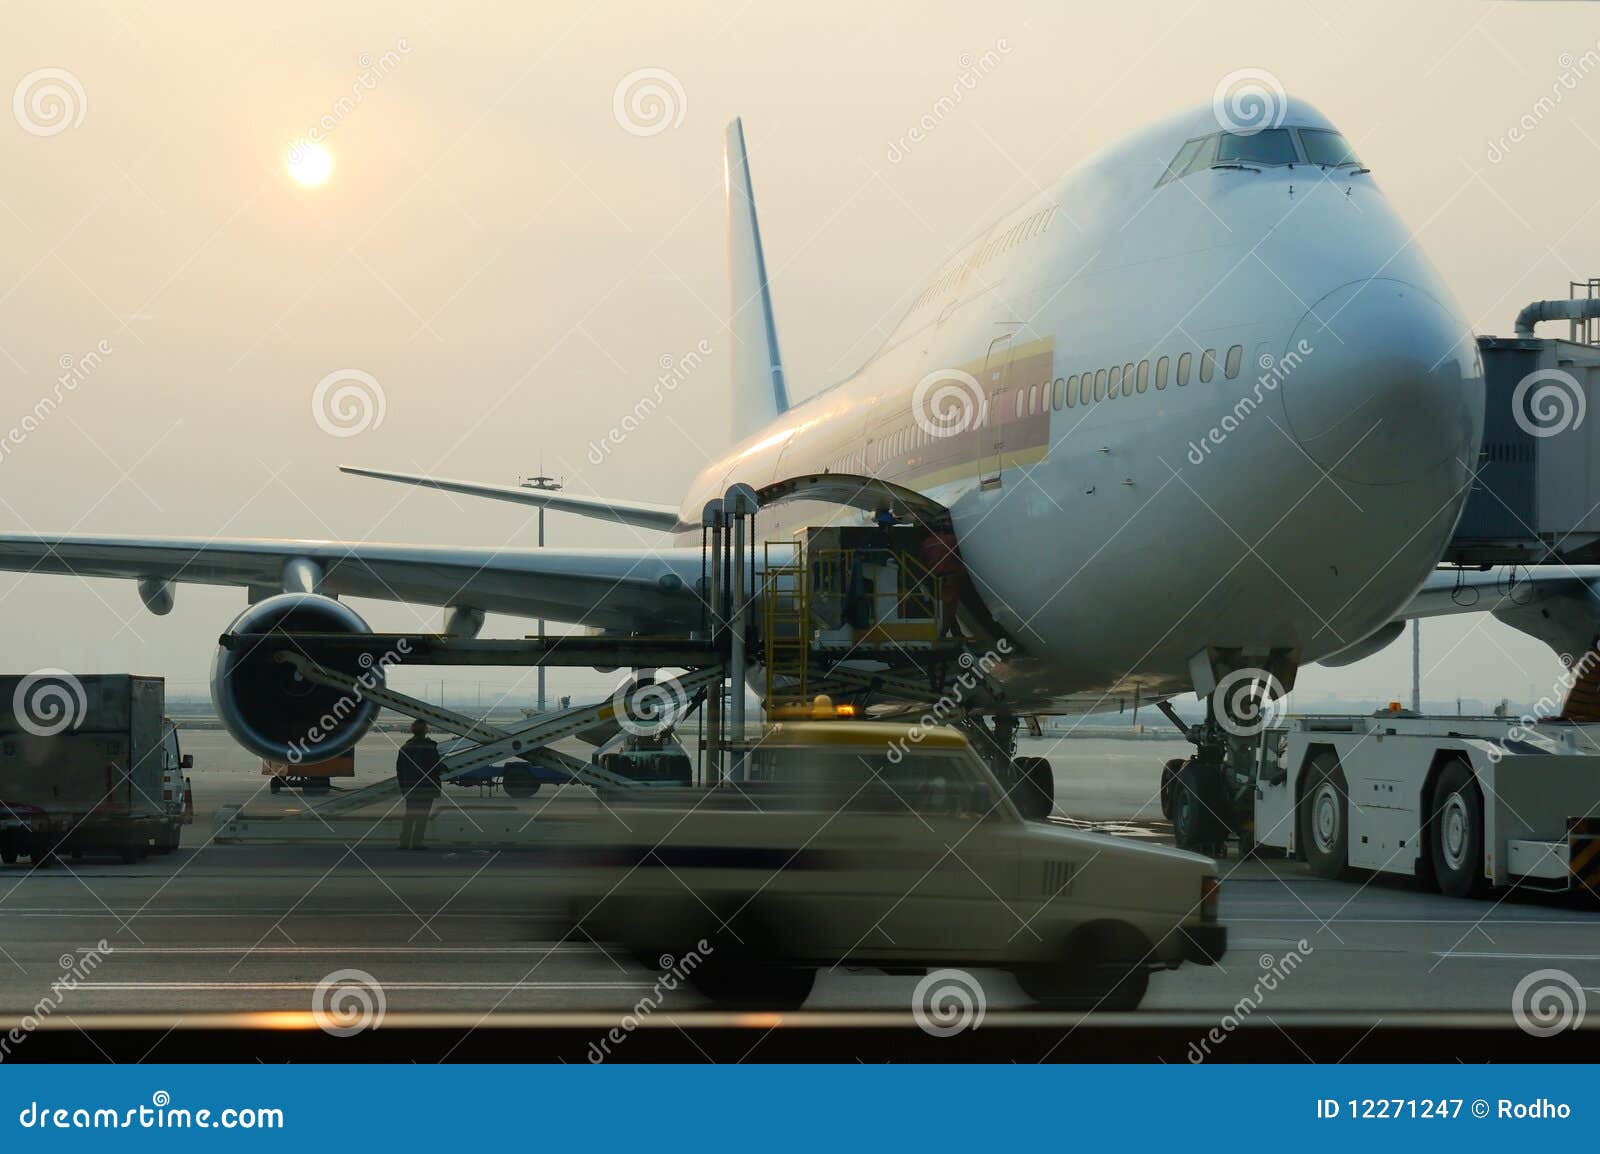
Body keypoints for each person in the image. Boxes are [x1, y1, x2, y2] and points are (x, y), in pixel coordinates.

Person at [395, 719, 442, 850]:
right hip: (426, 787)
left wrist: (403, 787)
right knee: (422, 816)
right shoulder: (429, 747)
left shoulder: (405, 748)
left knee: (409, 814)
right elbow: (435, 767)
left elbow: (399, 770)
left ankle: (404, 842)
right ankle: (417, 842)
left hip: (410, 787)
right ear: (425, 730)